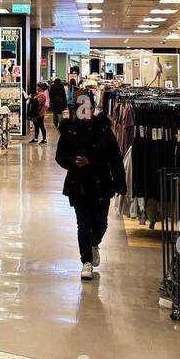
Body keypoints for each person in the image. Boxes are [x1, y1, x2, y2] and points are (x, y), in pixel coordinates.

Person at [55, 90, 126, 280]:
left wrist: (121, 183)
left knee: (101, 223)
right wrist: (72, 162)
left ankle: (94, 244)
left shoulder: (103, 129)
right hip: (79, 185)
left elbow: (115, 158)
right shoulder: (69, 130)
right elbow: (60, 156)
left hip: (102, 184)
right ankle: (86, 261)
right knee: (83, 224)